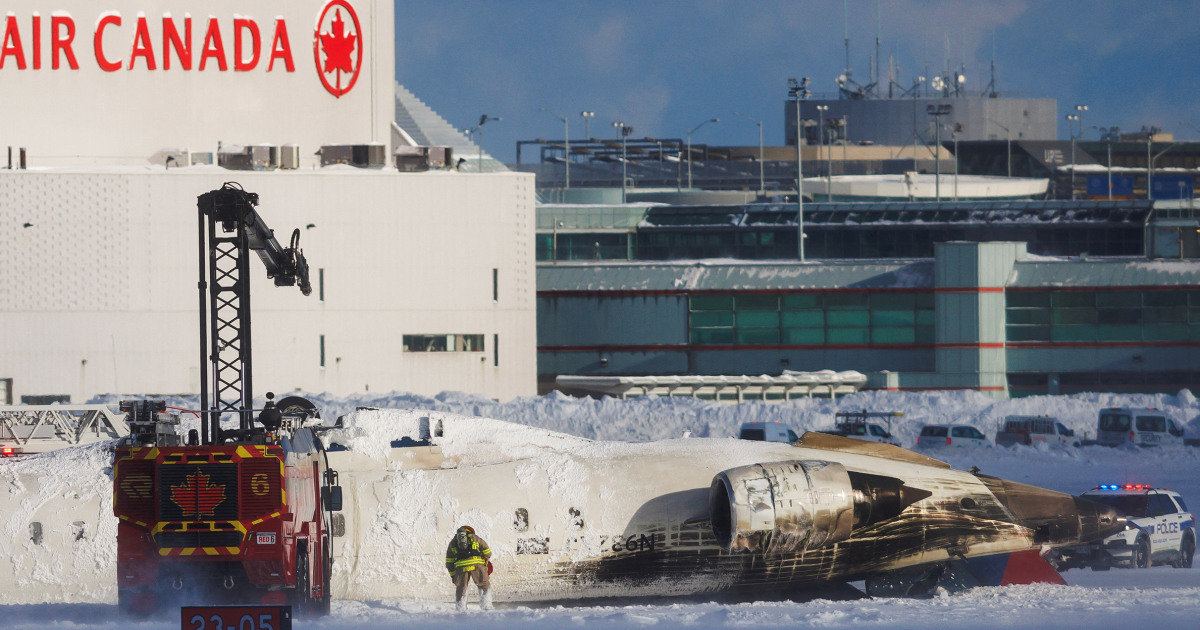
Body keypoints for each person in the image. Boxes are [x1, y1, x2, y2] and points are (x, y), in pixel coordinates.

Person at [445, 525, 492, 611]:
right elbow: (487, 551)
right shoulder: (475, 538)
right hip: (477, 565)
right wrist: (485, 558)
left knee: (461, 588)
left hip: (461, 567)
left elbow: (449, 562)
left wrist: (453, 576)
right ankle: (487, 606)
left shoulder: (453, 542)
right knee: (484, 585)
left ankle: (460, 608)